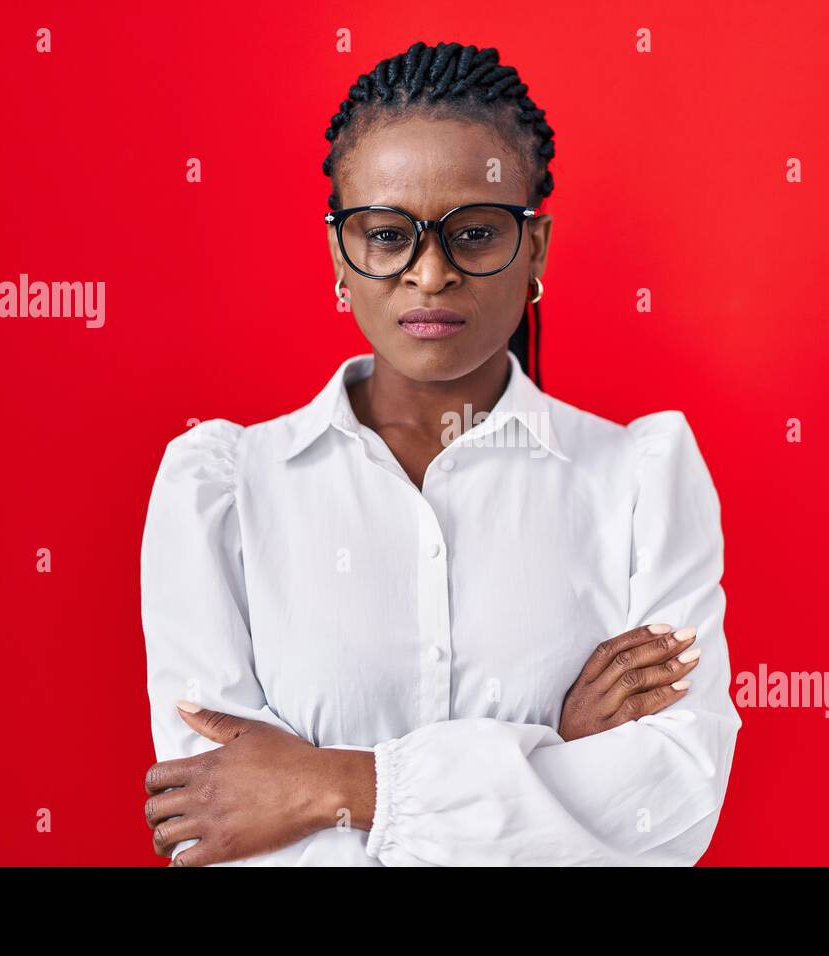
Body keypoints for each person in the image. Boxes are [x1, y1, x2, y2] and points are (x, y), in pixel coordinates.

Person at [140, 40, 742, 866]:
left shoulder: (641, 482)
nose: (430, 274)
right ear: (340, 258)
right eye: (388, 235)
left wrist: (337, 788)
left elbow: (670, 806)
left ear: (535, 249)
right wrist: (548, 756)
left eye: (476, 233)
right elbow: (217, 822)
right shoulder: (221, 490)